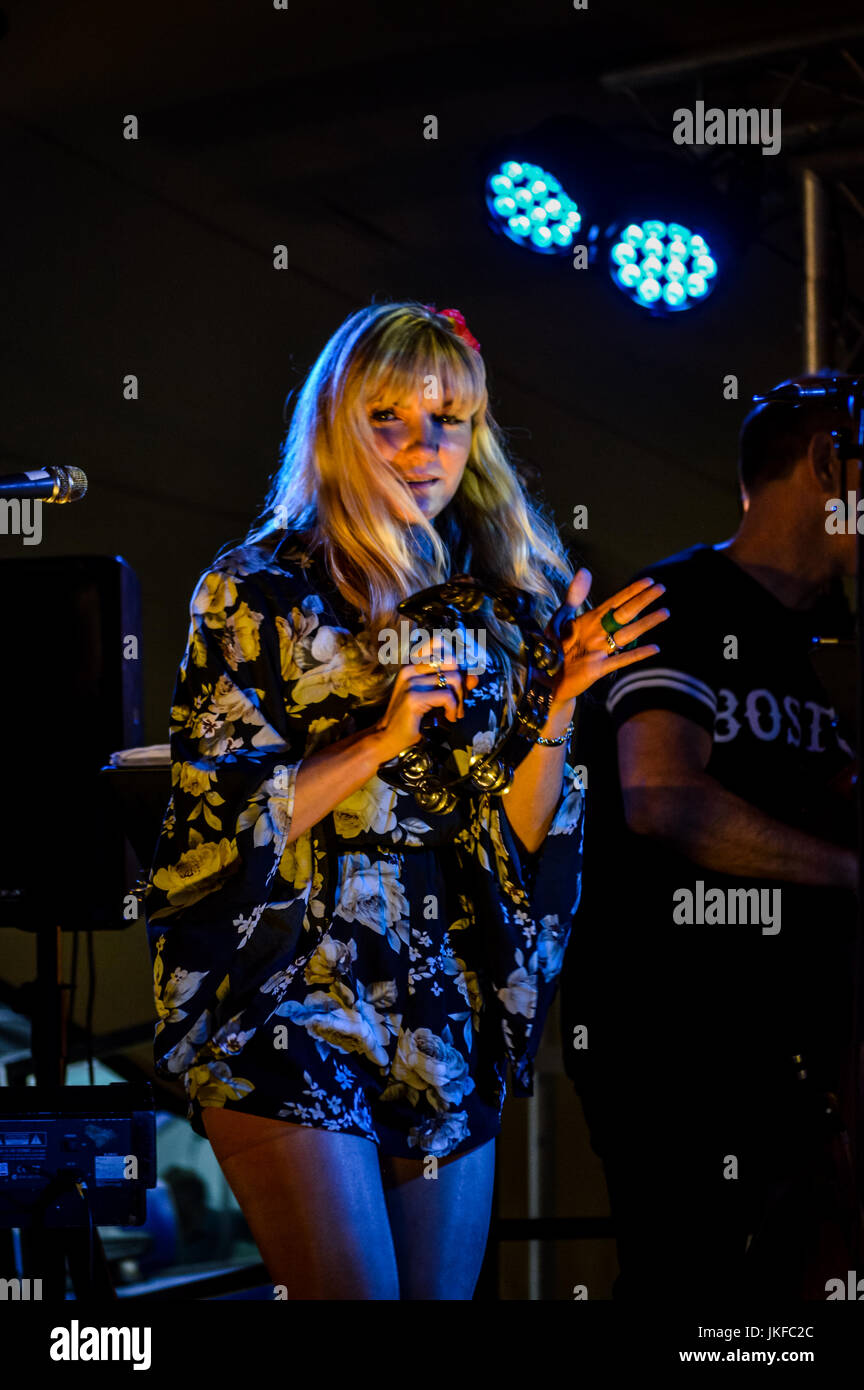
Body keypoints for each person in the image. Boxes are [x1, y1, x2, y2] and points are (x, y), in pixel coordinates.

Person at [143, 300, 668, 1300]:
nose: (424, 448)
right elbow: (211, 827)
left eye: (450, 420)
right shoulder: (256, 590)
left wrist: (559, 702)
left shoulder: (509, 599)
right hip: (286, 1001)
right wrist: (377, 740)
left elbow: (519, 849)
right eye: (391, 418)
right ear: (340, 422)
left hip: (438, 1007)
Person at [561, 375, 859, 1303]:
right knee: (691, 1290)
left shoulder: (825, 651)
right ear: (825, 464)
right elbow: (660, 797)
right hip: (675, 1043)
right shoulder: (676, 602)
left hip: (798, 1058)